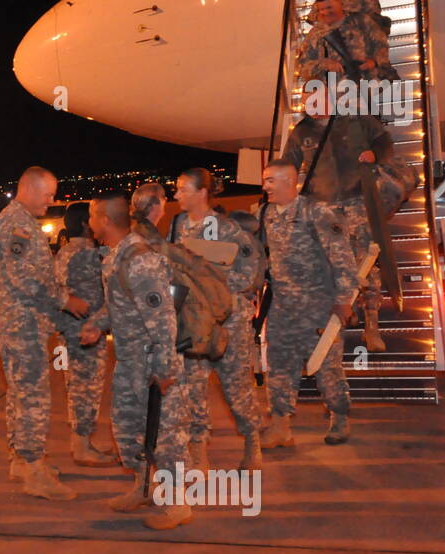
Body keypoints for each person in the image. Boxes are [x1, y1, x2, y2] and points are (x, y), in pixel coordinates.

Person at [292, 0, 396, 351]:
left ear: (342, 5)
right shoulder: (306, 131)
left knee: (367, 267)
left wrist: (369, 65)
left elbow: (382, 140)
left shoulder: (360, 24)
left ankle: (371, 326)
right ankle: (332, 326)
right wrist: (328, 67)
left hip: (354, 200)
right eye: (320, 9)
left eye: (330, 7)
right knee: (326, 270)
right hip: (325, 207)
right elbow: (303, 65)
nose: (325, 13)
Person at [81, 189, 191, 529]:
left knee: (165, 436)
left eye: (91, 215)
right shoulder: (116, 255)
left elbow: (163, 319)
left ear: (103, 220)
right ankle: (143, 487)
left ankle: (178, 504)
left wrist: (165, 369)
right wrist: (98, 325)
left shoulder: (139, 259)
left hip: (153, 363)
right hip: (130, 362)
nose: (88, 222)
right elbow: (120, 305)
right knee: (129, 431)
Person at [0, 166, 88, 500]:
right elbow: (24, 279)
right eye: (46, 194)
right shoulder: (16, 225)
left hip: (22, 321)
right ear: (28, 189)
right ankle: (33, 471)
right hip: (21, 323)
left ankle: (22, 460)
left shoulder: (20, 221)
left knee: (19, 392)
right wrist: (66, 299)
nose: (51, 201)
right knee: (32, 396)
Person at [169, 169, 267, 472]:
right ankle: (198, 453)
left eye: (183, 188)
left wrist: (218, 287)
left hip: (227, 324)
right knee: (191, 389)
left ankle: (252, 443)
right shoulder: (180, 226)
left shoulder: (228, 230)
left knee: (236, 388)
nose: (177, 194)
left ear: (202, 193)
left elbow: (252, 267)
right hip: (193, 323)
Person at [258, 161, 359, 447]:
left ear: (291, 182)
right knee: (279, 366)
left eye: (270, 180)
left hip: (319, 308)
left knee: (327, 367)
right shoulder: (267, 215)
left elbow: (342, 258)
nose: (265, 186)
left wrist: (343, 301)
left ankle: (339, 417)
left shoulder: (318, 213)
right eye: (265, 180)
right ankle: (280, 427)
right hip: (283, 307)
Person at [53, 202, 115, 467]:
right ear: (84, 224)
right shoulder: (88, 254)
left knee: (76, 387)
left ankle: (84, 442)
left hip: (69, 329)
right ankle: (81, 447)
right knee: (86, 388)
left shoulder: (64, 252)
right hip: (86, 329)